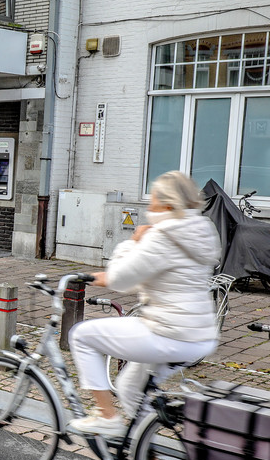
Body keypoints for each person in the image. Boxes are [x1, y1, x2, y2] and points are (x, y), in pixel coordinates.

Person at [67, 170, 222, 437]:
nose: (149, 206)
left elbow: (121, 279)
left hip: (169, 332)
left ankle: (106, 417)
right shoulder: (199, 230)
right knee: (129, 387)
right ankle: (146, 459)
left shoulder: (164, 235)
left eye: (152, 201)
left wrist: (132, 243)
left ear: (167, 204)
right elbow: (167, 276)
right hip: (199, 335)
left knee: (81, 336)